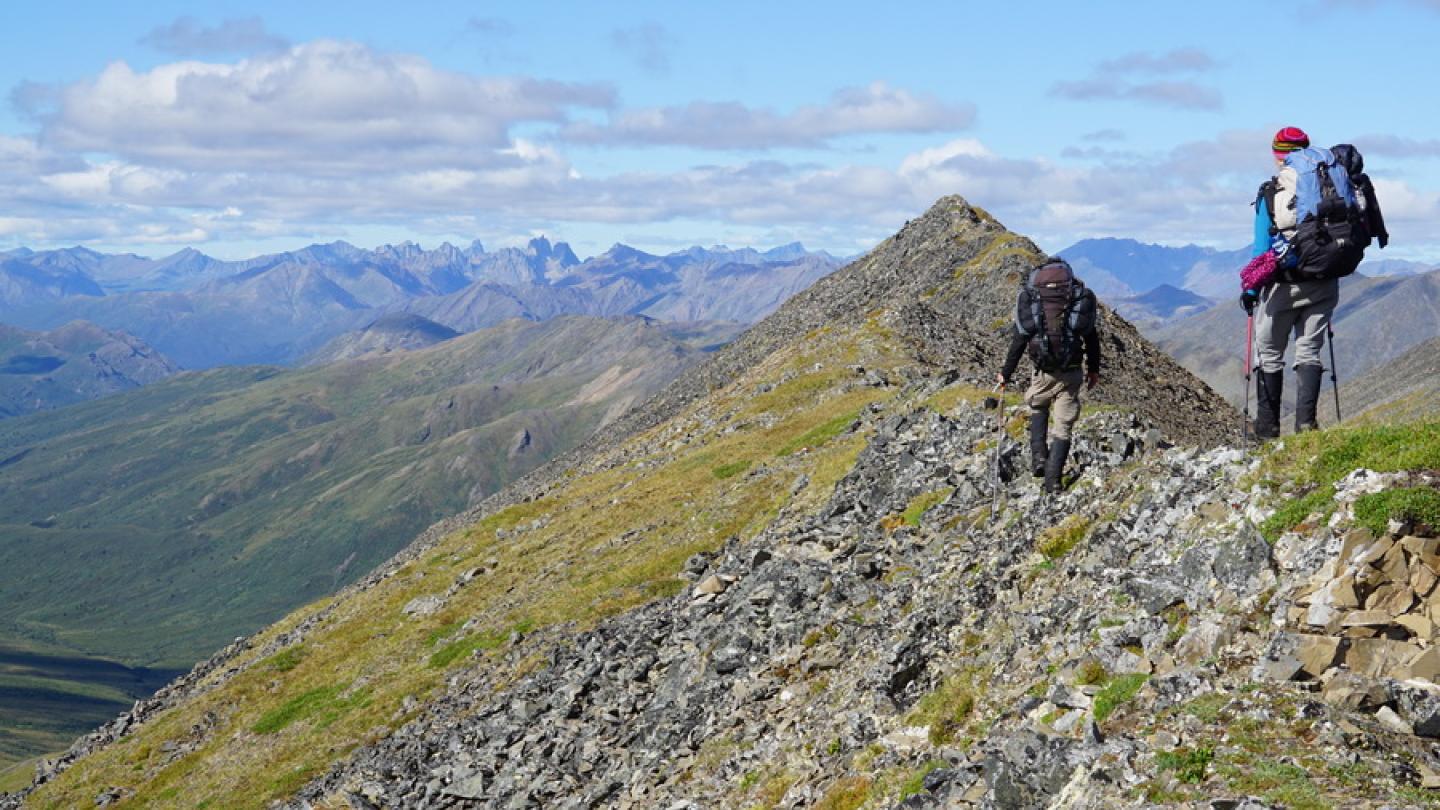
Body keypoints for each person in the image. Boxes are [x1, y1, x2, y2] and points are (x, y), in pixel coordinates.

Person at [1241, 126, 1340, 437]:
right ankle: (1306, 427)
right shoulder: (1330, 186)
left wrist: (1251, 289)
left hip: (1283, 287)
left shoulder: (1271, 193)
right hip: (1324, 282)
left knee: (1269, 353)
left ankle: (1267, 431)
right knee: (1309, 351)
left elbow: (1261, 249)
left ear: (1276, 154)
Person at [998, 257, 1101, 493]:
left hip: (1042, 371)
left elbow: (1019, 340)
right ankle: (1052, 482)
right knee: (1063, 426)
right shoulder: (1077, 297)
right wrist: (1093, 370)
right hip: (1071, 373)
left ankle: (1039, 459)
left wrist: (1006, 373)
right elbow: (1092, 338)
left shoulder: (1033, 299)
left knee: (1038, 406)